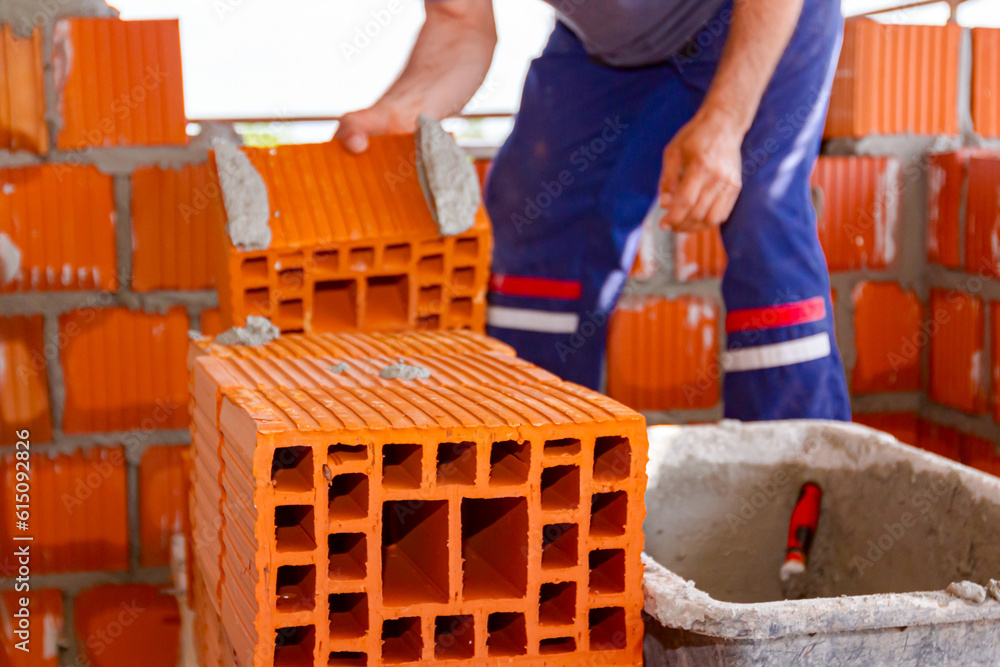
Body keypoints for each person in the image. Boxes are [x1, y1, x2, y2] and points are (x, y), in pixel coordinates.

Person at [336, 0, 851, 421]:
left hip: (756, 19)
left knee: (763, 213)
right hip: (604, 50)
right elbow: (459, 21)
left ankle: (799, 495)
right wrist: (405, 108)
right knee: (531, 214)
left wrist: (727, 120)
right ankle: (536, 475)